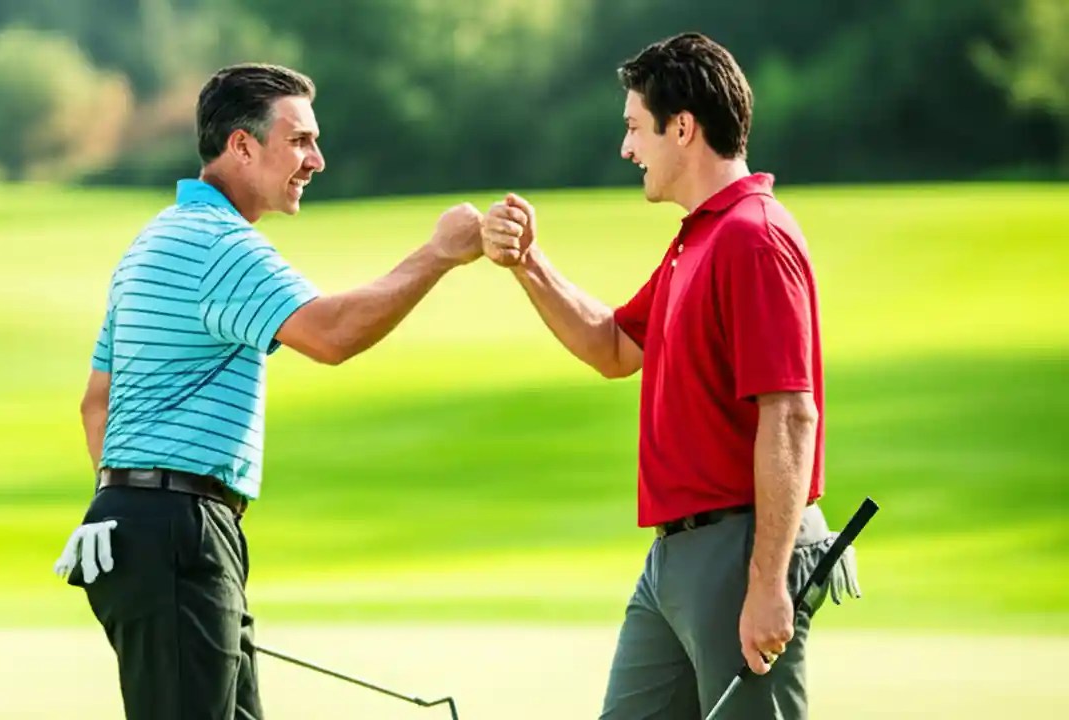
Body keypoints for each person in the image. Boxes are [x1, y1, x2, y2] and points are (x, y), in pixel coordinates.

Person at [52, 63, 483, 720]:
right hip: (179, 530)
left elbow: (96, 403)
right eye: (300, 141)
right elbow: (332, 334)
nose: (316, 159)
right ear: (243, 146)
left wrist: (113, 503)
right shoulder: (219, 244)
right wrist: (439, 255)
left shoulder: (154, 240)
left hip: (153, 525)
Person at [479, 33, 856, 719]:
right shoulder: (700, 237)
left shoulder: (754, 236)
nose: (627, 148)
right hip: (674, 561)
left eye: (633, 127)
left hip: (742, 551)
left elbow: (791, 413)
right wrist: (528, 264)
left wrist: (768, 583)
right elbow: (613, 347)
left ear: (682, 127)